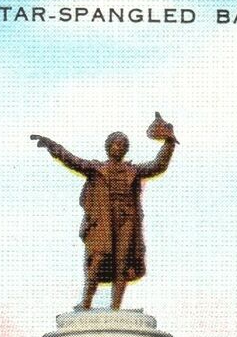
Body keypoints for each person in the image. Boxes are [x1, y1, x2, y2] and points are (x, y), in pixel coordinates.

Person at [31, 115, 177, 311]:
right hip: (102, 222)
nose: (119, 147)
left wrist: (169, 143)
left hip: (126, 220)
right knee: (97, 261)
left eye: (123, 144)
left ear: (126, 149)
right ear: (108, 147)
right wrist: (52, 145)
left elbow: (157, 165)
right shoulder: (96, 168)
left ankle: (115, 307)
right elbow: (72, 160)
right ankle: (86, 303)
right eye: (116, 144)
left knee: (122, 263)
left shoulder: (133, 170)